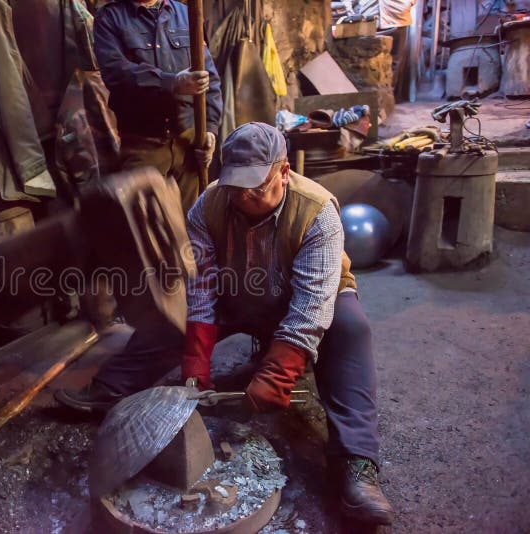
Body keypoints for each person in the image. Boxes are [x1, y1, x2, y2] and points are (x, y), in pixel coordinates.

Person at [57, 122, 395, 526]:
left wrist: (280, 370)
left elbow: (311, 306)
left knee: (350, 330)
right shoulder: (209, 205)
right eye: (236, 185)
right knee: (170, 319)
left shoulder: (318, 211)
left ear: (283, 171)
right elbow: (201, 289)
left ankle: (357, 466)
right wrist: (196, 361)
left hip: (304, 298)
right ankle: (114, 390)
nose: (244, 197)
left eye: (257, 187)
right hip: (240, 294)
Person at [94, 0, 223, 211]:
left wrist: (210, 129)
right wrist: (171, 82)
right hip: (142, 145)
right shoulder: (110, 18)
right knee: (146, 229)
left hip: (188, 143)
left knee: (191, 223)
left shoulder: (187, 14)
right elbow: (116, 73)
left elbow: (210, 80)